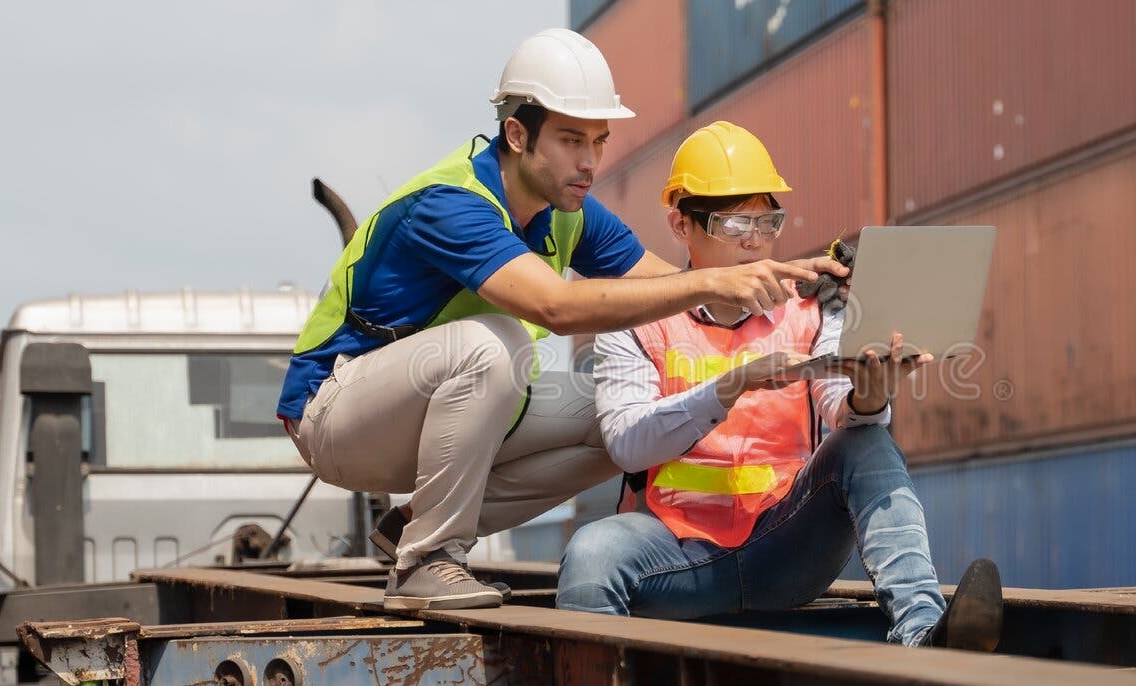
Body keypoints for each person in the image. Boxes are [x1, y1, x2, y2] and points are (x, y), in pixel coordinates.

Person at [275, 30, 846, 611]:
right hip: (336, 413)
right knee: (489, 343)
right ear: (517, 135)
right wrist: (716, 281)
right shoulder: (452, 204)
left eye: (599, 141)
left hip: (430, 411)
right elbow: (556, 307)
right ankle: (430, 558)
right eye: (572, 140)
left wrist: (781, 283)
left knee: (617, 425)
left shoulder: (566, 211)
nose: (591, 162)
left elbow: (667, 285)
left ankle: (413, 525)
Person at [555, 121, 1001, 648]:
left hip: (787, 548)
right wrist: (730, 386)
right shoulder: (637, 321)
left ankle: (924, 634)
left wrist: (872, 393)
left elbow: (844, 413)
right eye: (733, 223)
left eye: (768, 223)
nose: (754, 241)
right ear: (681, 224)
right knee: (590, 555)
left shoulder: (814, 307)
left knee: (870, 441)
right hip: (673, 554)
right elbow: (628, 443)